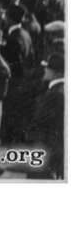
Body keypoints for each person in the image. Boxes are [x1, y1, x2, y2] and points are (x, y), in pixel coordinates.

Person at [25, 52, 64, 180]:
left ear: (57, 72)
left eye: (48, 68)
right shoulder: (59, 89)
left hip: (46, 148)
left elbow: (40, 121)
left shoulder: (55, 93)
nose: (45, 70)